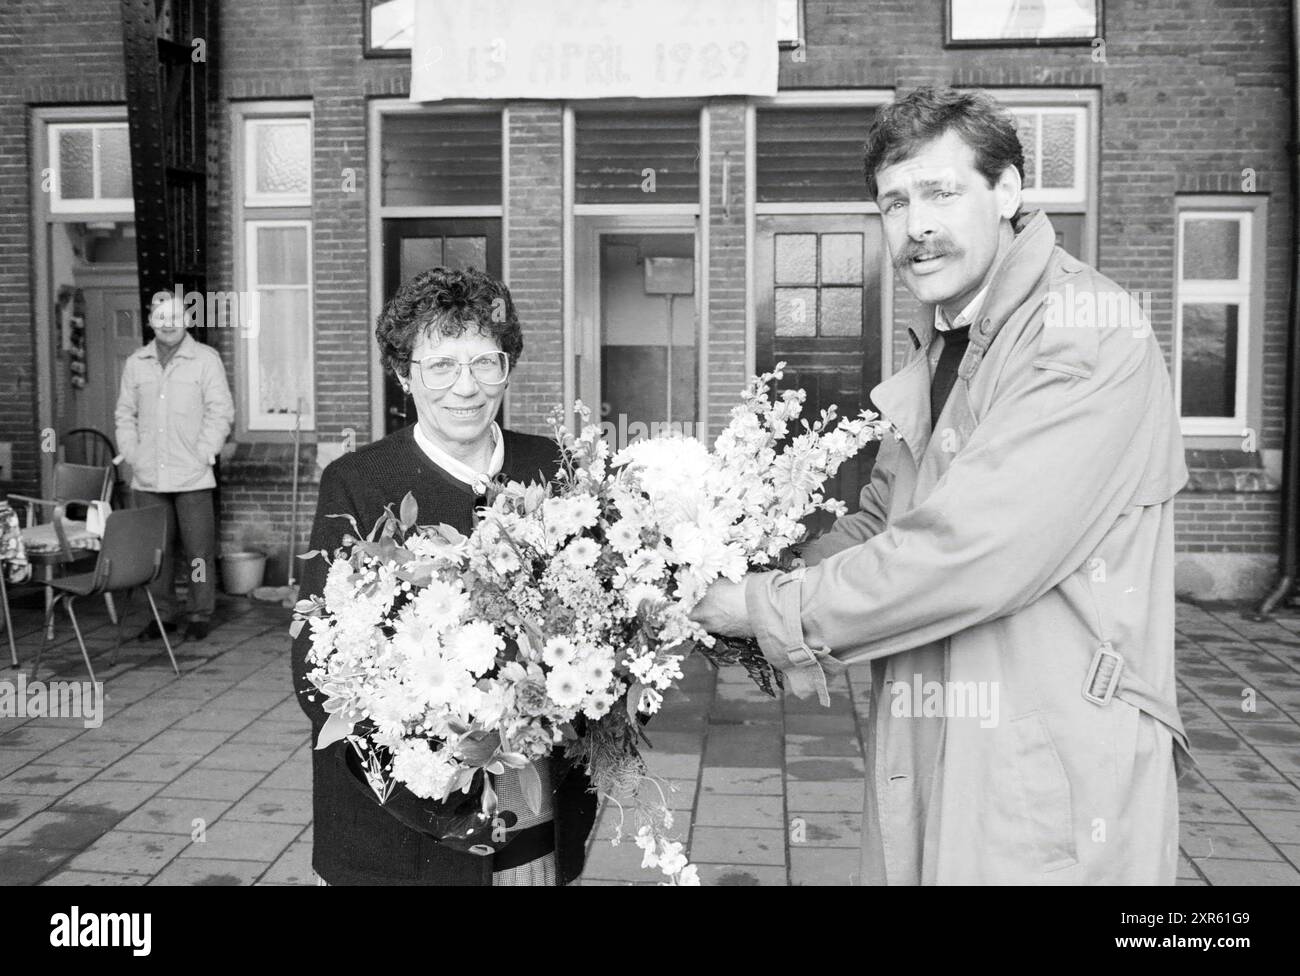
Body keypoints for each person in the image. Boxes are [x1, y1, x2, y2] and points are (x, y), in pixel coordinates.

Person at [691, 86, 1190, 884]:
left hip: (1048, 772)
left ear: (1010, 191)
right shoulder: (948, 345)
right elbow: (883, 529)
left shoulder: (1086, 333)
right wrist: (715, 556)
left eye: (940, 192)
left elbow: (974, 550)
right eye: (894, 202)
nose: (916, 225)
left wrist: (762, 606)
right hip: (949, 747)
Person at [292, 266, 598, 886]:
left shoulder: (557, 471)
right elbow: (317, 668)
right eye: (441, 365)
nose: (467, 387)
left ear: (508, 367)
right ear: (405, 375)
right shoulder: (357, 482)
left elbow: (607, 624)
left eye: (487, 362)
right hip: (392, 835)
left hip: (527, 818)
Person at [115, 293, 234, 642]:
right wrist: (132, 453)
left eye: (175, 317)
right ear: (151, 321)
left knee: (198, 553)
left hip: (193, 476)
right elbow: (125, 413)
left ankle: (199, 613)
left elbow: (221, 411)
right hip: (148, 476)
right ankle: (161, 615)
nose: (168, 324)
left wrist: (204, 452)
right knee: (156, 554)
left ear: (187, 320)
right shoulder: (137, 362)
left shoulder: (205, 360)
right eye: (161, 317)